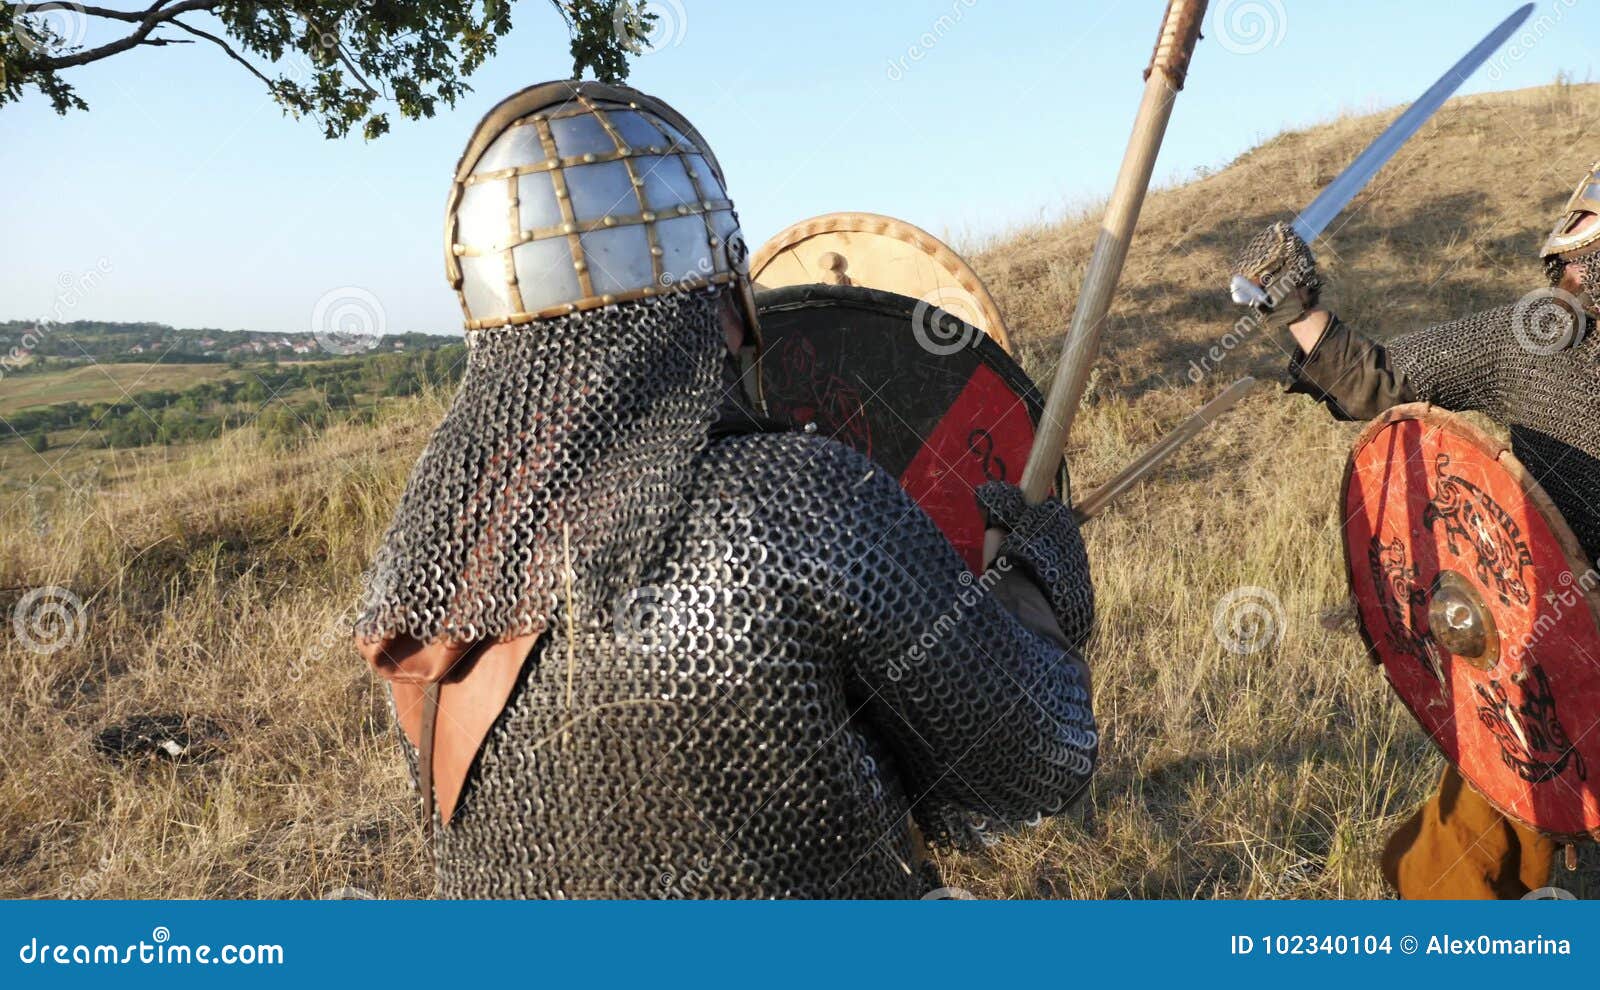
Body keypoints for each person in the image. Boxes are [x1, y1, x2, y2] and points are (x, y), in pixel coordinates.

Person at [352, 80, 1099, 898]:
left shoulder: (437, 549)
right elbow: (1029, 763)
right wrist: (1030, 578)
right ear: (729, 299)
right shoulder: (797, 505)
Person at [1231, 161, 1600, 899]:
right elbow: (1376, 379)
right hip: (1534, 657)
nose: (1582, 263)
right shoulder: (1537, 338)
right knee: (1462, 870)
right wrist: (1295, 306)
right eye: (1585, 245)